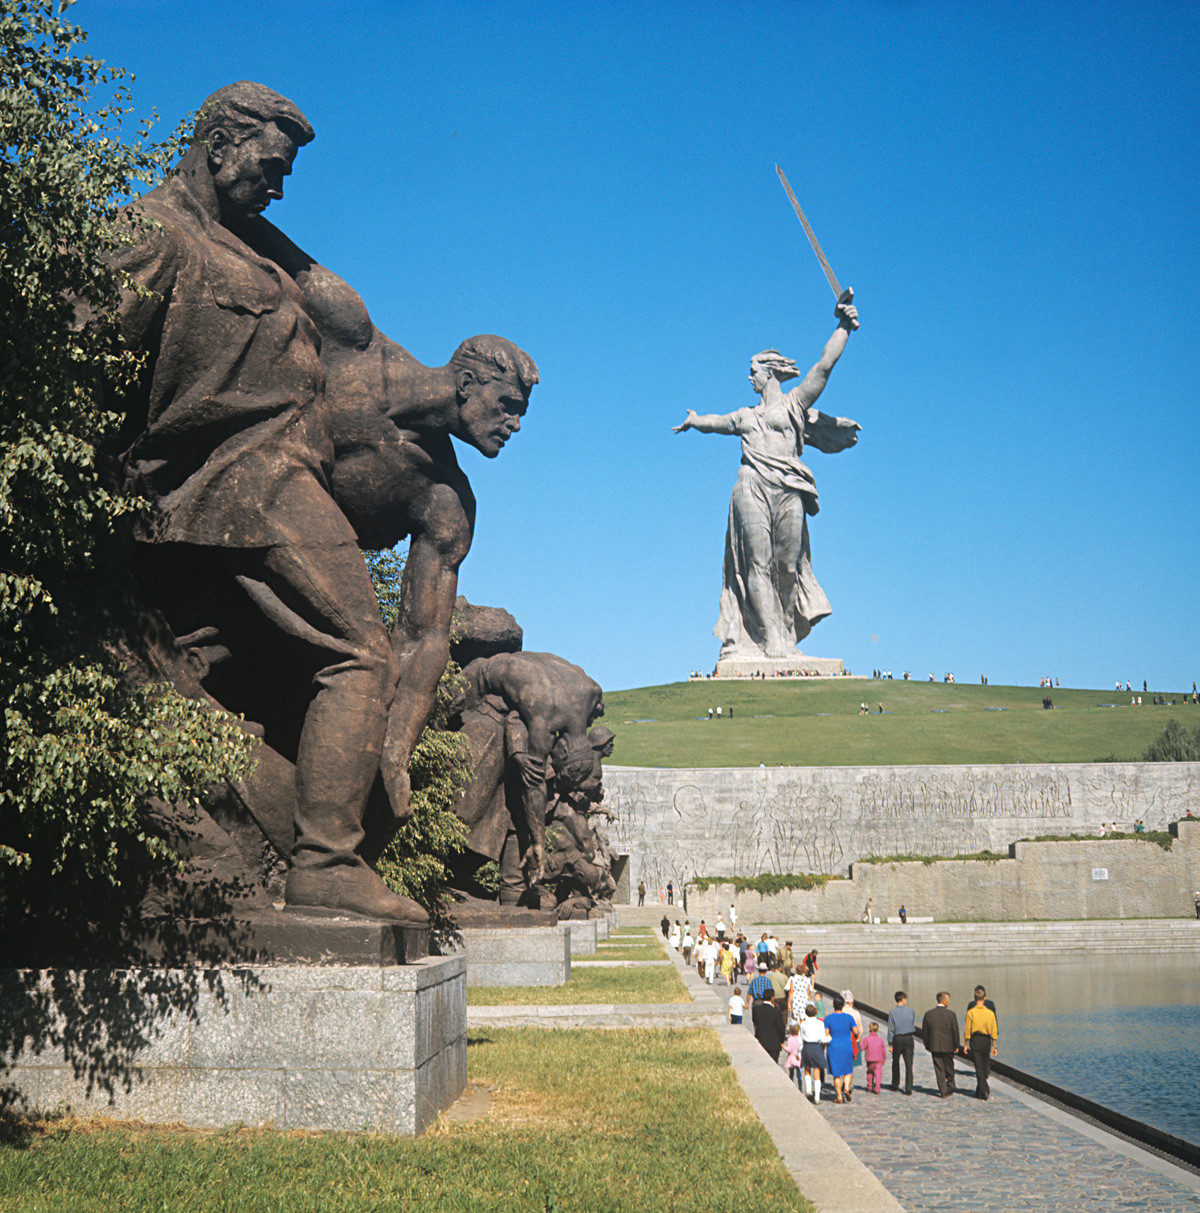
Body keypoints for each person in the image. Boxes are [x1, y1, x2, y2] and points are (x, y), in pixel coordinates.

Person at [98, 82, 535, 923]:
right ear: (220, 143)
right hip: (244, 482)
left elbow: (429, 636)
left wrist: (397, 751)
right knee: (355, 657)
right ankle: (323, 864)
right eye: (270, 165)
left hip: (268, 494)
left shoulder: (446, 501)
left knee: (273, 677)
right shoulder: (318, 308)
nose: (280, 187)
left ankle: (289, 848)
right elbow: (111, 342)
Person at [672, 295, 860, 660]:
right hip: (751, 484)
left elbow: (824, 367)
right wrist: (695, 421)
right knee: (756, 563)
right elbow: (717, 423)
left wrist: (843, 326)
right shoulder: (745, 416)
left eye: (753, 370)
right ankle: (771, 638)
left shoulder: (794, 404)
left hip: (789, 487)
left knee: (787, 566)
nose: (749, 376)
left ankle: (786, 633)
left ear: (769, 372)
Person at [962, 985, 999, 1100]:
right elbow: (994, 1030)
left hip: (975, 1040)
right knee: (984, 1063)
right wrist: (994, 1046)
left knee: (978, 1065)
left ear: (975, 998)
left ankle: (983, 1090)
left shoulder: (970, 1012)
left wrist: (966, 1044)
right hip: (986, 1040)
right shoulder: (990, 1013)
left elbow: (967, 1029)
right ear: (985, 998)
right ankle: (983, 1089)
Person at [921, 991, 961, 1097]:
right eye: (948, 999)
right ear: (944, 1000)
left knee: (939, 1069)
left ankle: (943, 1091)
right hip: (948, 1046)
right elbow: (955, 1031)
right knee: (949, 1067)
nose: (949, 1001)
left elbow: (925, 1031)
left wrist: (927, 1044)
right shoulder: (951, 1015)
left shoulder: (928, 1014)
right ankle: (951, 1086)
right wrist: (957, 1045)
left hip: (934, 1046)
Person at [824, 994, 858, 1103]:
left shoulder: (828, 1019)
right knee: (848, 1070)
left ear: (833, 1006)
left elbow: (826, 1035)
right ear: (843, 1005)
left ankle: (839, 1097)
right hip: (846, 1046)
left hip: (833, 1047)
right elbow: (856, 1032)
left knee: (836, 1073)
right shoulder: (849, 1018)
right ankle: (847, 1088)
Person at [799, 1003, 831, 1102]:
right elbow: (823, 1039)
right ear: (816, 1013)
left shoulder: (803, 1024)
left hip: (807, 1046)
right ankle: (817, 1097)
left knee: (807, 1070)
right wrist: (829, 1037)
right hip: (817, 1047)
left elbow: (800, 1039)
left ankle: (808, 1090)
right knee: (817, 1072)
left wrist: (799, 1052)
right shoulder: (820, 1024)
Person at [887, 990, 916, 1094]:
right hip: (909, 1038)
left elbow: (890, 1028)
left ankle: (895, 1084)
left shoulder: (892, 1012)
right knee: (909, 1064)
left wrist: (890, 1043)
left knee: (896, 1062)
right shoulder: (910, 1010)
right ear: (903, 999)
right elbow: (911, 1021)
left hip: (897, 1038)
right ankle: (909, 1088)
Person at [752, 984, 787, 1060]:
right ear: (772, 998)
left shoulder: (756, 1009)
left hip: (760, 1041)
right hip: (774, 1044)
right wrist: (781, 1040)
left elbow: (755, 1022)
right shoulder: (776, 1011)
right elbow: (781, 1028)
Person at [863, 1022, 888, 1094]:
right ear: (878, 1030)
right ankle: (877, 1088)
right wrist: (884, 1059)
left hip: (869, 1059)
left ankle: (869, 1086)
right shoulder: (880, 1039)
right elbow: (883, 1050)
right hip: (879, 1059)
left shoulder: (866, 1039)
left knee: (870, 1072)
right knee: (878, 1074)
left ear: (869, 1029)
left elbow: (862, 1047)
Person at [783, 1023, 804, 1089]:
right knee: (799, 1075)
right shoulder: (800, 1039)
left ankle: (791, 1086)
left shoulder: (790, 1039)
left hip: (791, 1057)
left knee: (791, 1074)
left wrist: (783, 1046)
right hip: (799, 1057)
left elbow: (789, 1049)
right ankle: (800, 1087)